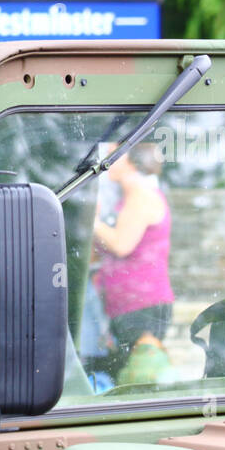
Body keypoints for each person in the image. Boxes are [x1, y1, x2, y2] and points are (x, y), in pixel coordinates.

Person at [92, 142, 175, 381]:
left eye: (112, 156)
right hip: (131, 305)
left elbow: (121, 244)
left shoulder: (140, 196)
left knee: (137, 378)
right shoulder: (129, 196)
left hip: (142, 307)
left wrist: (93, 220)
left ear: (130, 162)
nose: (105, 161)